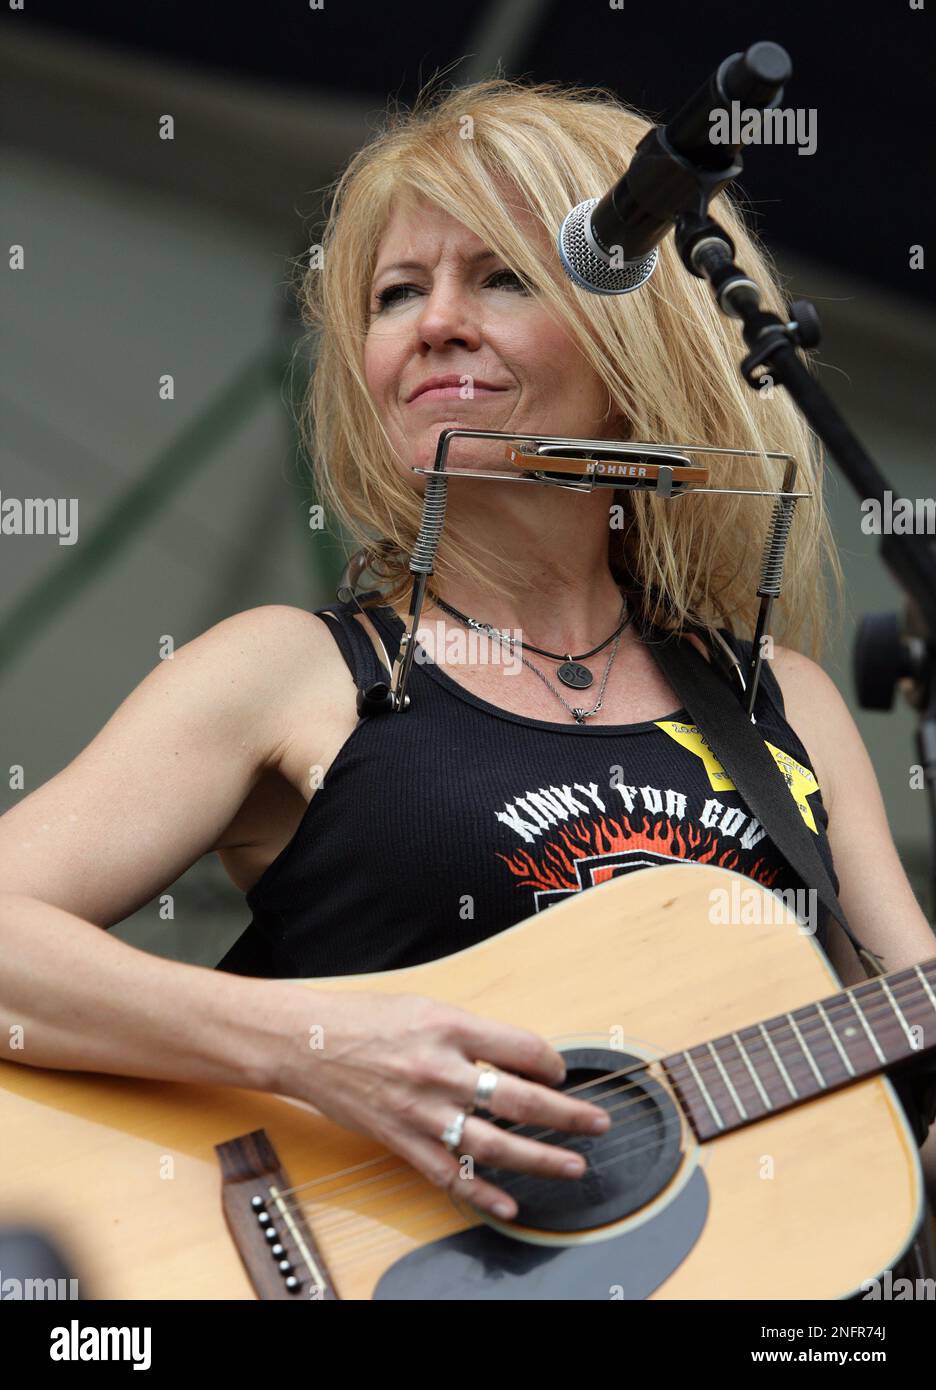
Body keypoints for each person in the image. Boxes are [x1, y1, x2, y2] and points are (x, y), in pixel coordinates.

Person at [1, 78, 934, 1235]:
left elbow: (910, 1072)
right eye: (399, 293)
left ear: (635, 337)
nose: (437, 321)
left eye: (502, 277)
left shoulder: (775, 698)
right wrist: (326, 1049)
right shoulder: (294, 673)